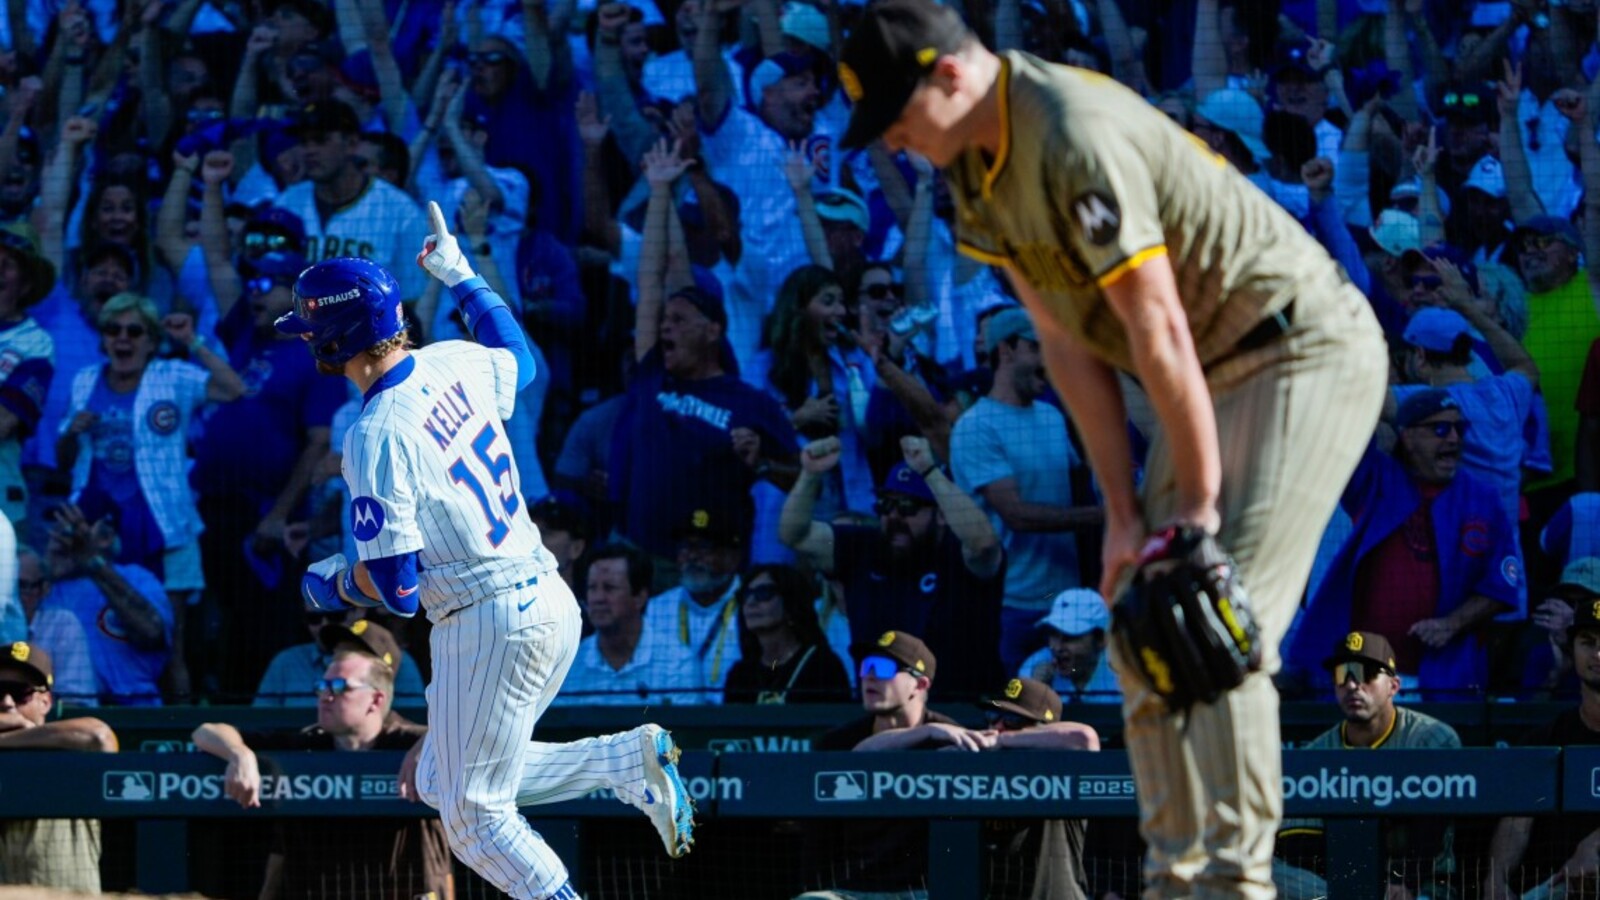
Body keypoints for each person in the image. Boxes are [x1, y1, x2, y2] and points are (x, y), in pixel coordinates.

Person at [837, 1, 1389, 892]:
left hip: (1297, 351)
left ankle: (1235, 882)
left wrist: (1196, 513)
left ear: (949, 77)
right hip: (1204, 376)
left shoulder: (1069, 133)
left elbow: (1155, 320)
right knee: (1140, 617)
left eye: (900, 118)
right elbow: (1068, 340)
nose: (896, 142)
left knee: (1216, 613)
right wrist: (1126, 520)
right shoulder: (977, 171)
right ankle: (1177, 874)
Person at [277, 203, 695, 900]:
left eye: (312, 328)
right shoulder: (451, 358)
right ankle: (626, 760)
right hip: (547, 601)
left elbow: (398, 588)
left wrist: (334, 585)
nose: (307, 339)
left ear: (335, 340)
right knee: (443, 777)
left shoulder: (374, 431)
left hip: (487, 621)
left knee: (472, 816)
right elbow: (522, 363)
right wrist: (463, 275)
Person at [1287, 390, 1521, 696]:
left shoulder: (1482, 499)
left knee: (1442, 742)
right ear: (1407, 437)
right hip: (1363, 671)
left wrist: (1451, 624)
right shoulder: (1376, 481)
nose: (1453, 438)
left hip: (1446, 678)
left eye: (1458, 429)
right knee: (1355, 740)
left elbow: (1501, 585)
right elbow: (1345, 429)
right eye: (1439, 429)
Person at [194, 646, 451, 899]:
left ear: (376, 699)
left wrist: (428, 745)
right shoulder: (307, 744)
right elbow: (204, 732)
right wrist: (239, 753)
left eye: (339, 687)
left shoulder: (408, 740)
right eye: (321, 686)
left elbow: (473, 733)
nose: (325, 696)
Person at [781, 434, 1004, 697]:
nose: (895, 516)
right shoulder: (864, 549)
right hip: (884, 713)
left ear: (941, 514)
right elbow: (795, 536)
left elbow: (985, 544)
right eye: (886, 505)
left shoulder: (959, 557)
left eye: (908, 507)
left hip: (960, 714)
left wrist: (930, 472)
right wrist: (810, 474)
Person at [951, 306, 1103, 673]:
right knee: (1023, 715)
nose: (1048, 361)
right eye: (1038, 348)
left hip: (1068, 604)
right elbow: (1016, 515)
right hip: (1015, 607)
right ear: (1006, 350)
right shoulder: (976, 426)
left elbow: (1078, 486)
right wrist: (1105, 515)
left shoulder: (1051, 416)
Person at [1274, 632, 1461, 900]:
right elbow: (1299, 844)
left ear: (1394, 686)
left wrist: (1402, 880)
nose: (1352, 685)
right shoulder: (1318, 751)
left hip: (1421, 887)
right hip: (1335, 888)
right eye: (1343, 674)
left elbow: (1430, 833)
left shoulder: (1430, 738)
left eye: (1367, 672)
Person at [799, 630, 963, 899]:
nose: (869, 676)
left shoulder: (951, 739)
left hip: (925, 892)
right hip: (852, 891)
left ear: (920, 685)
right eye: (866, 667)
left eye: (884, 667)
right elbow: (817, 841)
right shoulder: (836, 743)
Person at [1485, 600, 1600, 899]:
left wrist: (1593, 845)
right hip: (1553, 886)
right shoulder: (1547, 736)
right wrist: (1496, 878)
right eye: (1588, 643)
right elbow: (1517, 821)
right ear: (1571, 650)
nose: (1598, 654)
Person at [0, 642, 118, 893]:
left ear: (45, 701)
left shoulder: (71, 749)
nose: (7, 703)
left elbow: (99, 737)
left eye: (20, 692)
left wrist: (11, 738)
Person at [976, 676, 1097, 900]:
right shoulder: (977, 767)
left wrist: (1006, 740)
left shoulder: (1063, 772)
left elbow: (1084, 739)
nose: (998, 727)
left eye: (1012, 720)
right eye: (993, 717)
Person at [555, 543, 700, 706]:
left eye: (609, 588)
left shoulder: (678, 663)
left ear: (639, 597)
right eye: (592, 588)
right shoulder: (570, 665)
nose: (598, 598)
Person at [723, 563, 851, 704]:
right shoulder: (740, 675)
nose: (751, 602)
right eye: (745, 595)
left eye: (763, 593)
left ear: (790, 603)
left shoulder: (823, 667)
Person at [253, 613, 425, 708]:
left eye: (336, 616)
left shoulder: (401, 663)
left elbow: (414, 719)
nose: (324, 624)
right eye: (314, 618)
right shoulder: (286, 662)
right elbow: (259, 722)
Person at [1018, 588, 1121, 704]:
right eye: (1054, 634)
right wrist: (1035, 692)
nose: (1057, 647)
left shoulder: (1125, 673)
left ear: (1101, 640)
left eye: (1070, 637)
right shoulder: (1033, 667)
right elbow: (1018, 720)